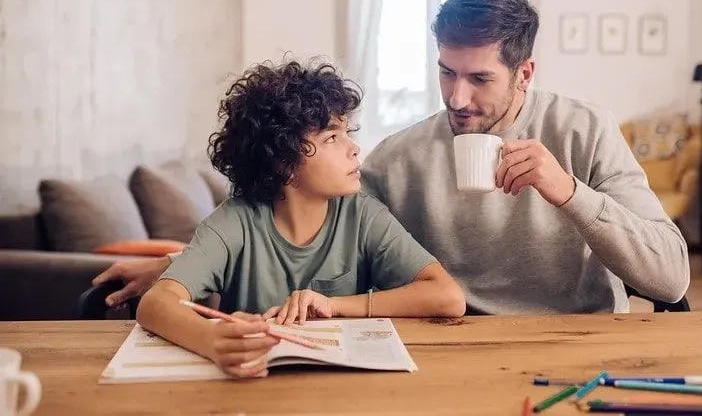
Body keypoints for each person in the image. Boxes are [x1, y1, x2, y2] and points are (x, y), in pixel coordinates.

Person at [95, 0, 689, 315]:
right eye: (445, 72)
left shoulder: (583, 129)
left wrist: (570, 193)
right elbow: (303, 221)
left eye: (479, 78)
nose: (457, 97)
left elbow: (671, 280)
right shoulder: (399, 158)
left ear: (525, 72)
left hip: (576, 343)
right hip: (450, 345)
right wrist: (184, 267)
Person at [134, 61, 465, 379]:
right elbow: (155, 303)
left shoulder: (362, 214)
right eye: (332, 138)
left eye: (347, 132)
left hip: (341, 388)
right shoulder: (235, 222)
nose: (354, 148)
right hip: (250, 388)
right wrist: (210, 339)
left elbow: (448, 297)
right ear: (283, 164)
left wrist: (334, 306)